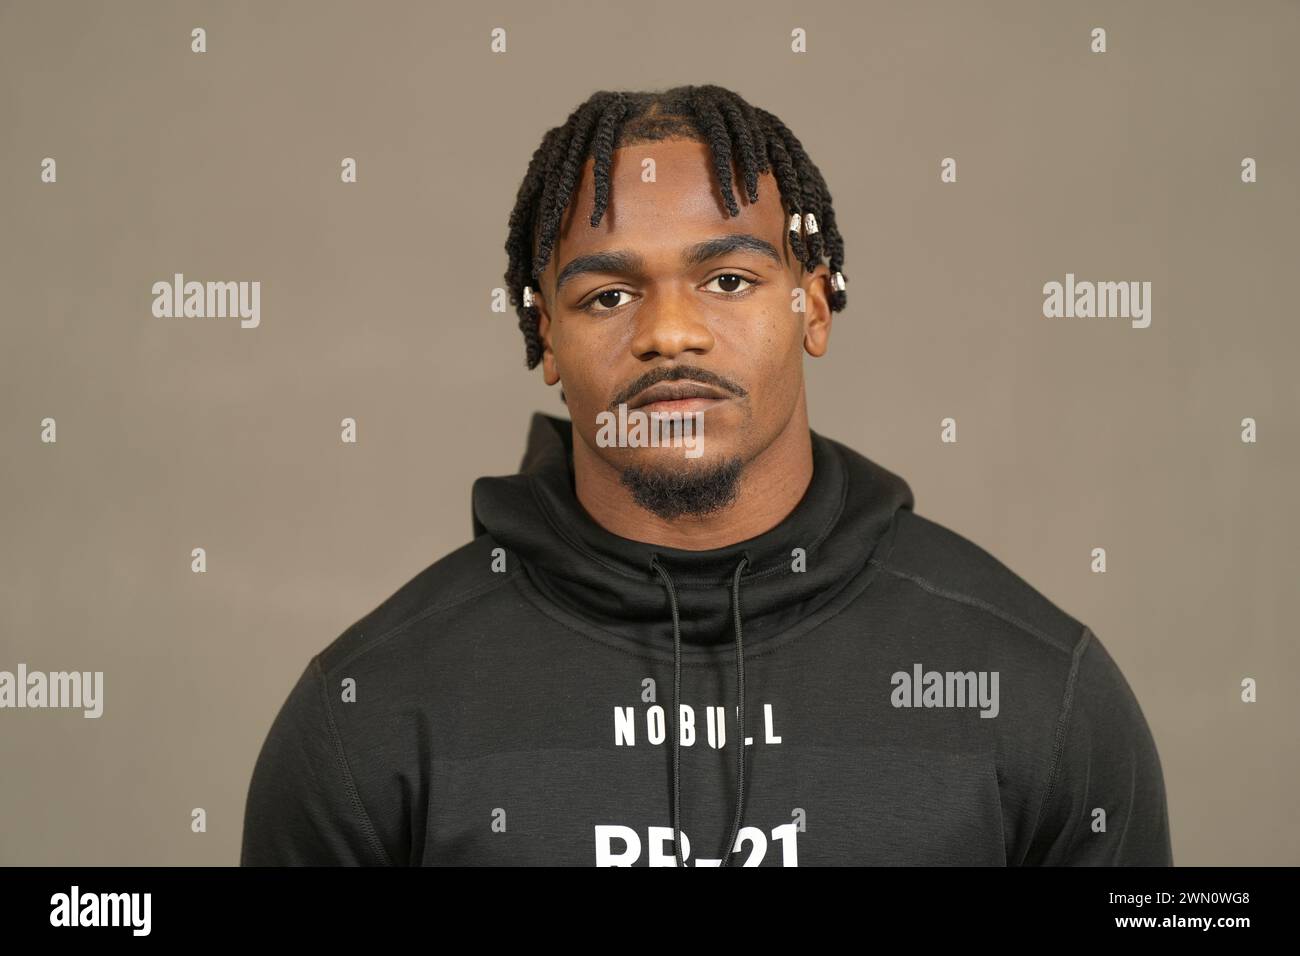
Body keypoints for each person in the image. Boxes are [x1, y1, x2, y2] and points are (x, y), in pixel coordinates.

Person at [240, 84, 1172, 867]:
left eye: (727, 280)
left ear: (813, 306)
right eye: (607, 295)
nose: (668, 333)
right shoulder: (368, 714)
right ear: (548, 343)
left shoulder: (1037, 688)